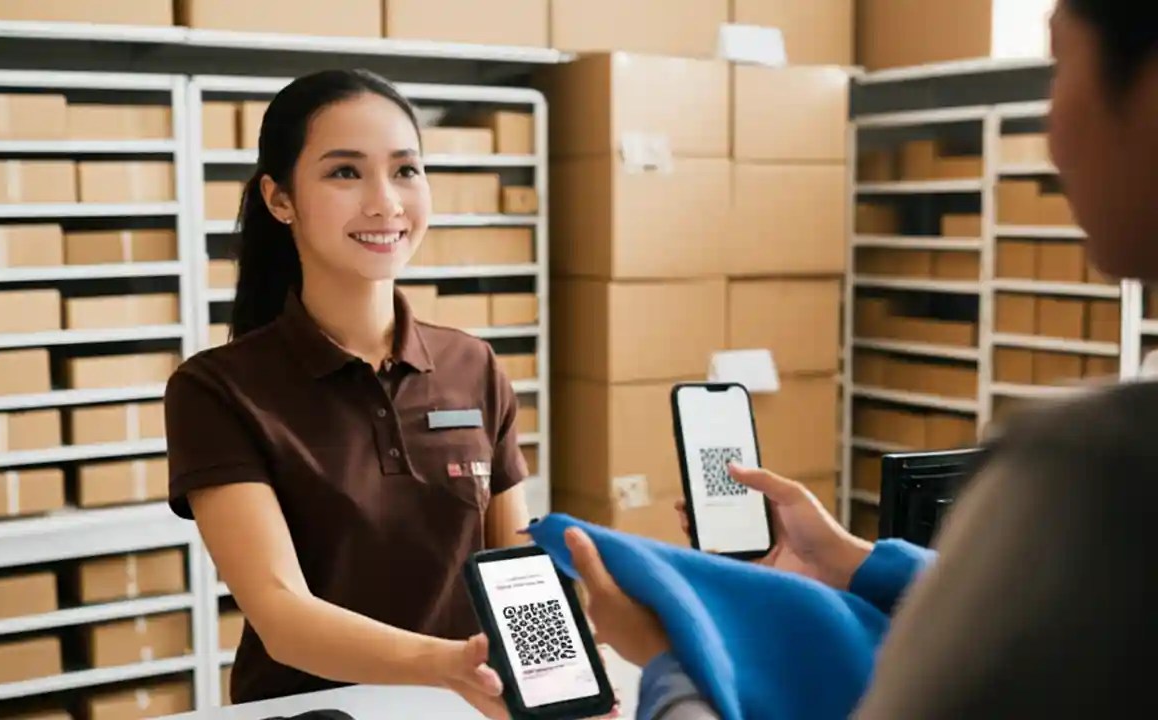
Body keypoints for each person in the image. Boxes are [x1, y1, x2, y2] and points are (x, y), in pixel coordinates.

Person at [567, 1, 1158, 717]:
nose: (1050, 129)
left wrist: (671, 660)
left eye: (1062, 68)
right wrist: (847, 558)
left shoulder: (1099, 466)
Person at [163, 69, 530, 718]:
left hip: (470, 705)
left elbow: (516, 567)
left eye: (406, 170)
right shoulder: (215, 390)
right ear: (280, 200)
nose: (386, 201)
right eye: (344, 173)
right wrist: (445, 665)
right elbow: (283, 615)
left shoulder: (472, 365)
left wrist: (563, 668)